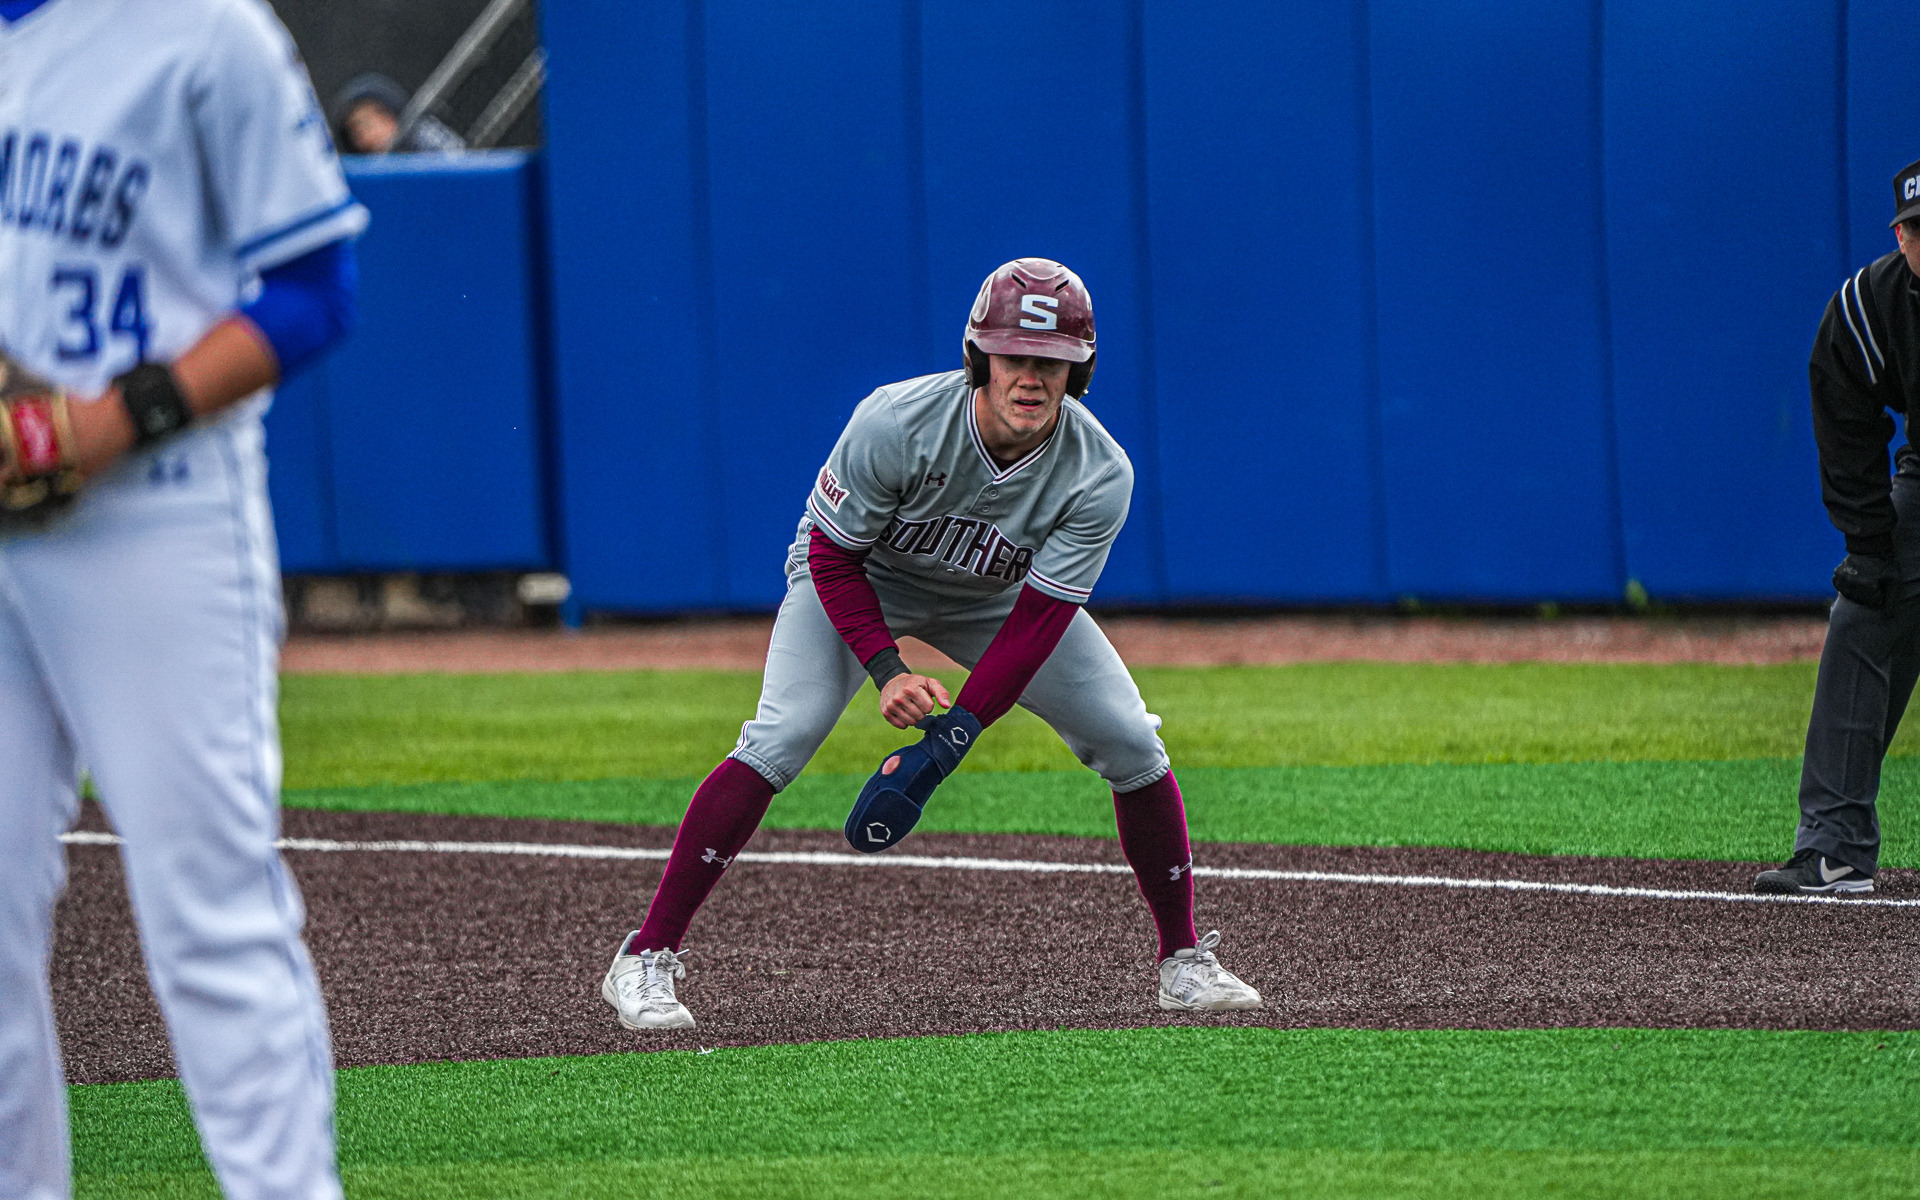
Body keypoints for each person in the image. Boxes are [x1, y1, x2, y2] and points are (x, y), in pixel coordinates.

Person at [599, 258, 1261, 1031]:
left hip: (996, 599)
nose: (1031, 377)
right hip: (862, 580)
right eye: (1015, 356)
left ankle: (1182, 961)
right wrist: (887, 669)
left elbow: (1038, 622)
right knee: (780, 736)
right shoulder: (897, 420)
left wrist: (948, 741)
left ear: (1078, 372)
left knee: (1130, 741)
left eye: (1053, 363)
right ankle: (645, 957)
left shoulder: (1099, 471)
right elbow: (833, 556)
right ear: (981, 358)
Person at [0, 0, 367, 1196]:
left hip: (152, 517)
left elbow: (317, 292)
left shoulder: (203, 30)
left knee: (208, 914)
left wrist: (113, 421)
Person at [1755, 158, 1920, 896]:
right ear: (1900, 235)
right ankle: (1835, 846)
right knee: (1864, 608)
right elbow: (1848, 419)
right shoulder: (1870, 306)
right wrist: (1868, 543)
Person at [329, 73, 467, 156]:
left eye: (369, 124)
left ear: (391, 116)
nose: (366, 137)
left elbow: (460, 167)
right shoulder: (366, 176)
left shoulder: (423, 136)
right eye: (356, 134)